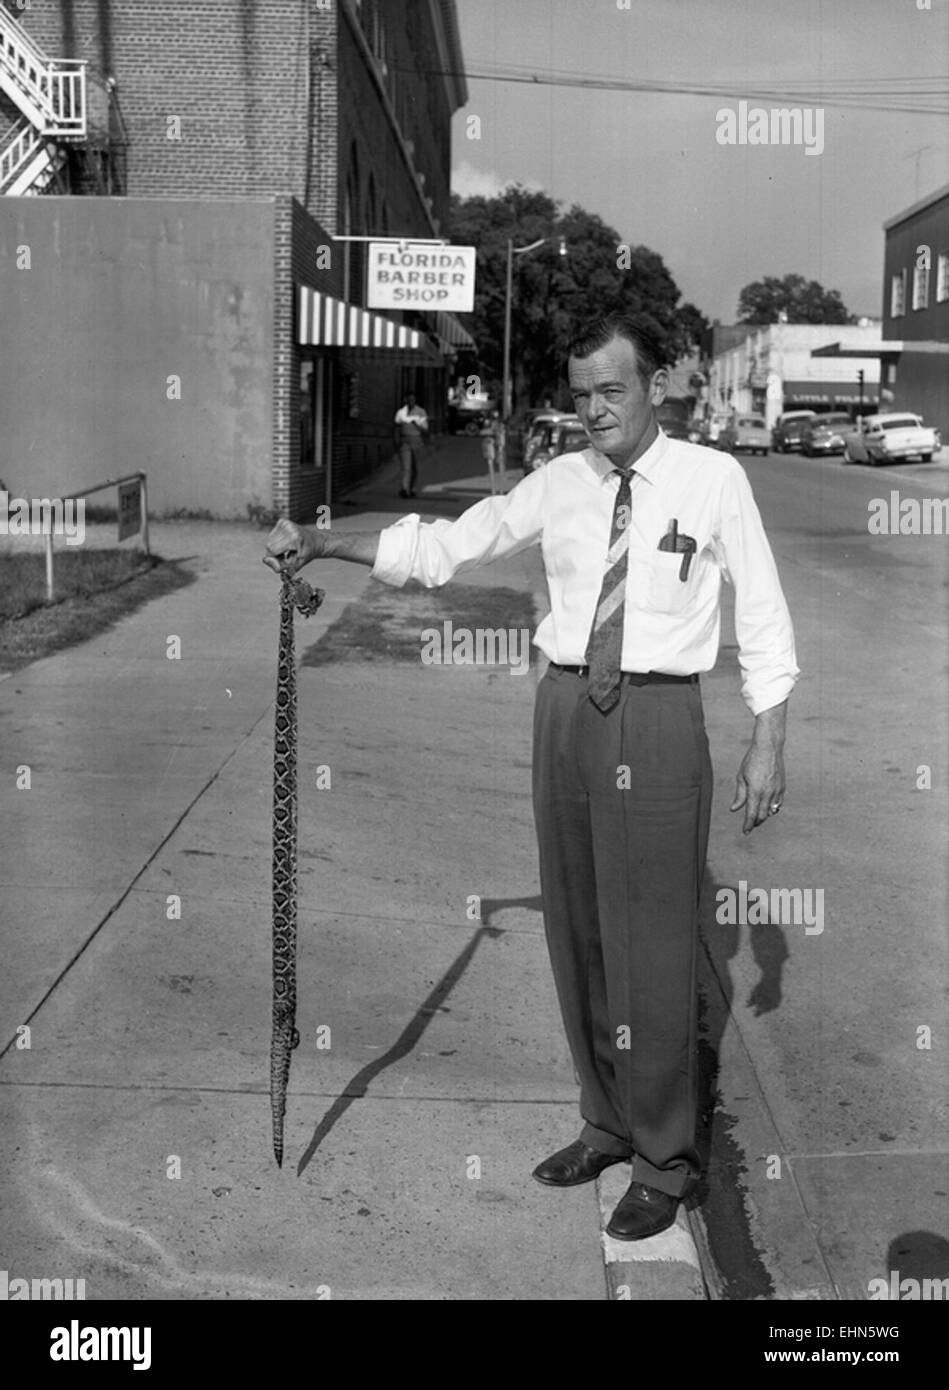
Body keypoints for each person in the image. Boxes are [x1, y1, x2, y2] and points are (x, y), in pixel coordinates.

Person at [265, 314, 799, 1241]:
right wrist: (322, 544)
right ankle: (605, 1122)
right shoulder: (560, 481)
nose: (594, 410)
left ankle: (665, 1160)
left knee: (656, 945)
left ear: (655, 388)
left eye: (612, 391)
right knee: (580, 930)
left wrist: (767, 737)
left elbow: (761, 611)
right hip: (565, 711)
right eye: (581, 393)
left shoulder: (714, 480)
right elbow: (450, 546)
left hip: (660, 717)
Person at [393, 393, 429, 499]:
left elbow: (426, 429)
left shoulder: (420, 412)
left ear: (415, 400)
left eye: (412, 400)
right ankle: (404, 489)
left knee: (415, 467)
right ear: (406, 401)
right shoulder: (400, 412)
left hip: (416, 440)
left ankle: (412, 488)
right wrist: (396, 440)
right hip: (404, 441)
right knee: (406, 467)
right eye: (408, 400)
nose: (410, 402)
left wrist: (416, 424)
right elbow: (396, 427)